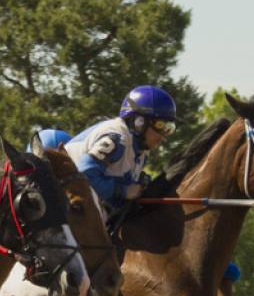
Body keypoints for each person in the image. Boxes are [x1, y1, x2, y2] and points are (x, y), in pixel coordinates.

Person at [63, 85, 177, 217]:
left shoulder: (142, 149)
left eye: (169, 128)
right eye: (160, 125)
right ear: (139, 122)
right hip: (65, 201)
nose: (163, 135)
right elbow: (83, 175)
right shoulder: (117, 139)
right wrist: (123, 191)